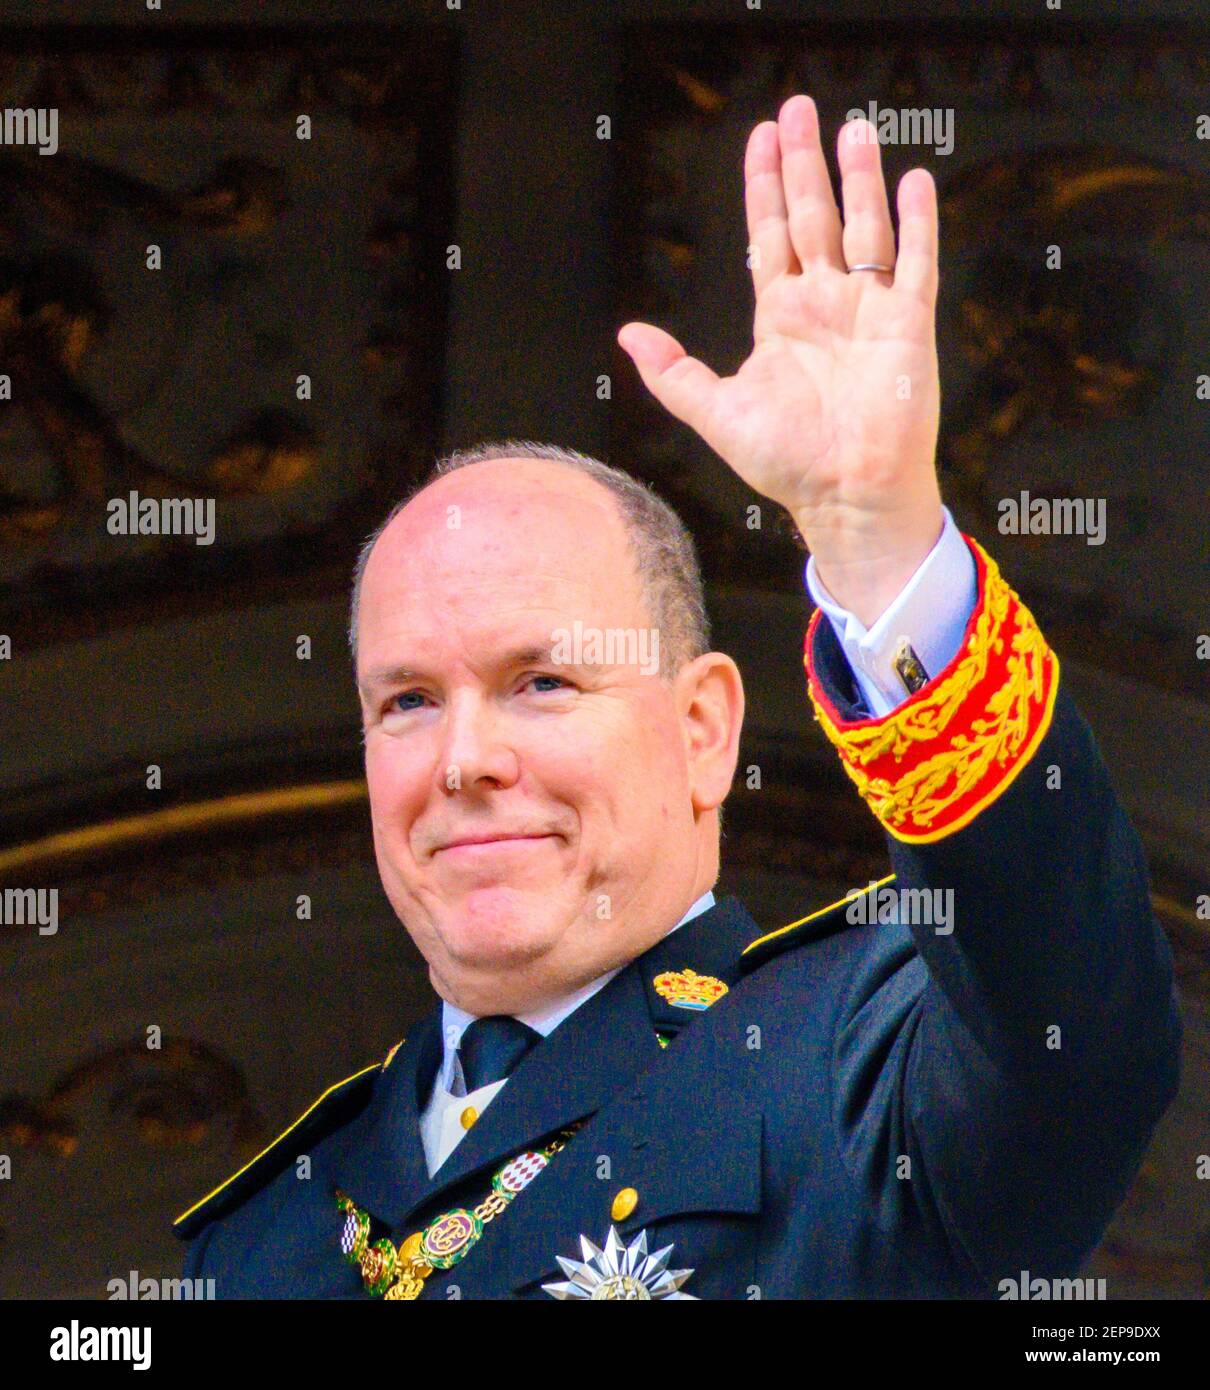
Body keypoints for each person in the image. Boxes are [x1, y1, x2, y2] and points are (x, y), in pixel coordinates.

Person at [172, 95, 1180, 1299]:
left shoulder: (865, 1072)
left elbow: (1078, 1035)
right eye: (406, 703)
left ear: (703, 729)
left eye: (540, 681)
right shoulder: (260, 1241)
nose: (464, 759)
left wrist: (879, 542)